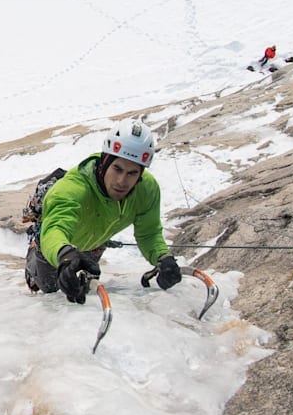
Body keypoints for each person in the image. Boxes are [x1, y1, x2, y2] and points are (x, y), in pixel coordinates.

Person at [24, 120, 182, 303]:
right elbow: (54, 229)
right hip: (55, 249)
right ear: (105, 162)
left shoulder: (147, 190)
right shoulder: (72, 189)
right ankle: (32, 263)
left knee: (82, 290)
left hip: (93, 244)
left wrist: (163, 258)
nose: (122, 181)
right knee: (51, 289)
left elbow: (149, 233)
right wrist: (64, 254)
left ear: (140, 174)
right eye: (117, 169)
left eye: (132, 173)